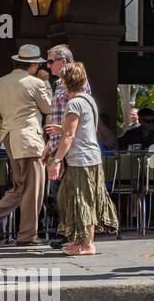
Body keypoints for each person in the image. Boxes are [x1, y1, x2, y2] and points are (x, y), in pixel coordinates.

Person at [0, 45, 52, 245]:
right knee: (34, 189)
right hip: (30, 140)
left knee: (21, 186)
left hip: (10, 139)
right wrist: (47, 84)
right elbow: (48, 107)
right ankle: (28, 235)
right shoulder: (36, 83)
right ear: (34, 65)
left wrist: (4, 131)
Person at [47, 62, 117, 256]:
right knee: (73, 198)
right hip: (90, 157)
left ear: (65, 82)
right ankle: (80, 241)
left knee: (81, 199)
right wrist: (61, 129)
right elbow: (81, 129)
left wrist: (57, 161)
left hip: (81, 159)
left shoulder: (74, 103)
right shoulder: (88, 100)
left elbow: (69, 136)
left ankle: (87, 244)